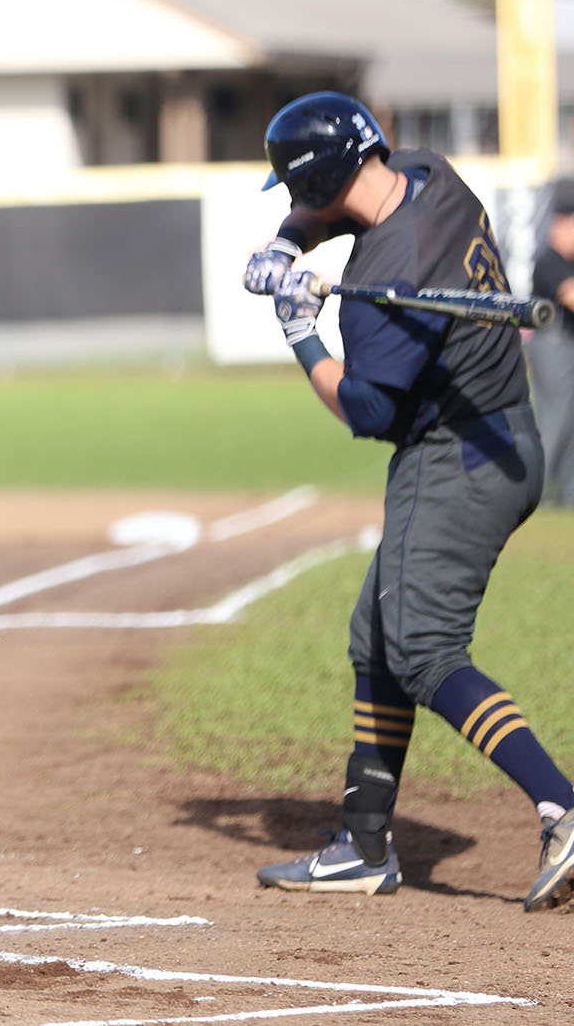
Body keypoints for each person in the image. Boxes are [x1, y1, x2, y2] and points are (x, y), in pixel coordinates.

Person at [242, 90, 574, 910]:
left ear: (318, 181)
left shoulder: (384, 279)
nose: (296, 205)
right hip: (506, 438)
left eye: (296, 191)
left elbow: (368, 411)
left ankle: (562, 804)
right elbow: (326, 208)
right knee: (379, 635)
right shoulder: (430, 174)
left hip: (454, 460)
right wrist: (283, 245)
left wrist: (301, 332)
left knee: (424, 650)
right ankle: (363, 842)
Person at [528, 177, 574, 507]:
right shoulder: (548, 260)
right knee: (554, 418)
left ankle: (568, 495)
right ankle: (537, 494)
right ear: (561, 225)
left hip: (566, 347)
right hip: (551, 347)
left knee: (570, 419)